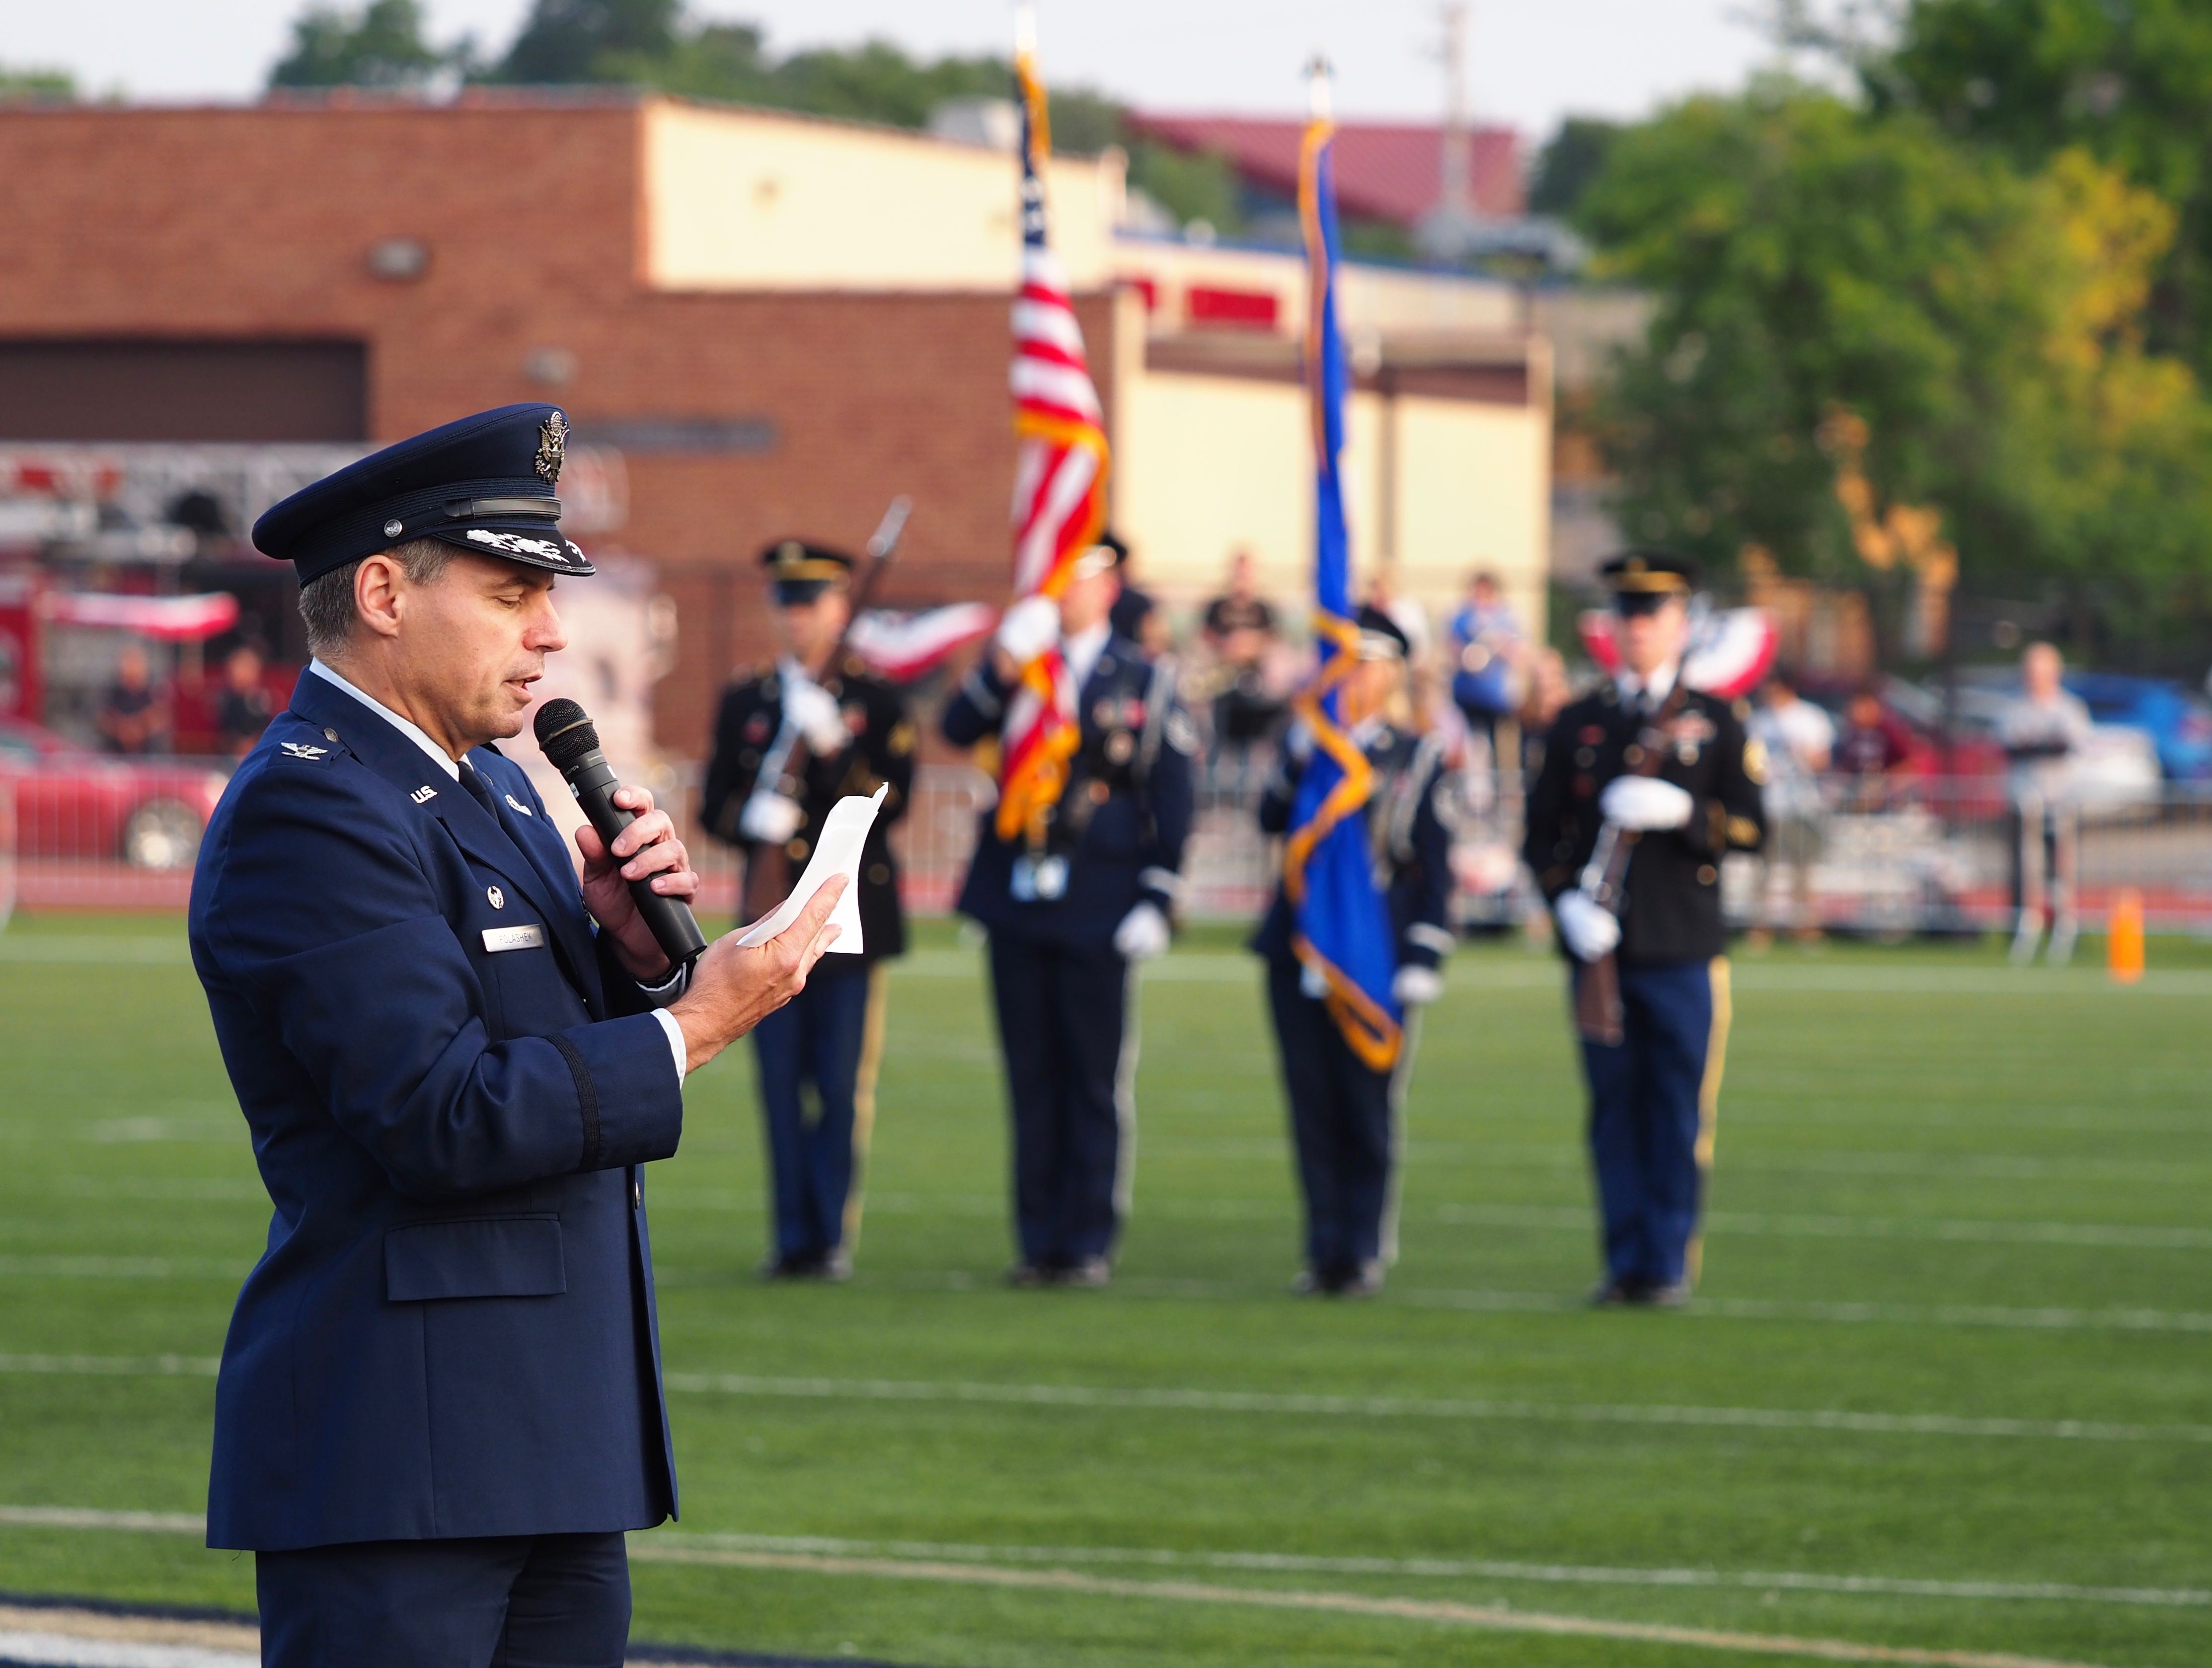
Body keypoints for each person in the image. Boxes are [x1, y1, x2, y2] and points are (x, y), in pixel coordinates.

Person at [189, 404, 846, 1668]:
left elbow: (521, 1033)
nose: (549, 630)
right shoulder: (315, 805)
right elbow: (443, 1113)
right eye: (508, 592)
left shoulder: (480, 777)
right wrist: (697, 1029)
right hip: (404, 1456)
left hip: (546, 1433)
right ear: (383, 591)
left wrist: (634, 956)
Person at [941, 535, 1196, 1288]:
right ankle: (1037, 1237)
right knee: (1030, 1075)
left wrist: (1158, 891)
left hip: (1099, 898)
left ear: (1108, 587)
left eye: (1076, 578)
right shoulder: (1024, 666)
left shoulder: (1143, 677)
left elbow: (1169, 791)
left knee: (1090, 1077)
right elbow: (957, 730)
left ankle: (1085, 1238)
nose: (1062, 592)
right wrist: (999, 665)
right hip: (1020, 896)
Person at [1522, 551, 1766, 1308]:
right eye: (1626, 613)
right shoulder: (1580, 721)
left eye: (1651, 614)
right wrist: (1563, 902)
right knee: (1613, 1110)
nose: (1637, 627)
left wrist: (1686, 814)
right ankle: (1623, 1259)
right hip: (1600, 951)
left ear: (1680, 624)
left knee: (1675, 1109)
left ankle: (1665, 1261)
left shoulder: (1718, 720)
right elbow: (1541, 835)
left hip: (1681, 948)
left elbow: (1756, 829)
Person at [699, 539, 915, 1281]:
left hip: (846, 925)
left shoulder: (875, 701)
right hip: (770, 922)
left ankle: (829, 1236)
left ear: (841, 607)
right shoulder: (748, 698)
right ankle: (792, 1235)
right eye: (787, 603)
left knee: (838, 1084)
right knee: (780, 1087)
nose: (800, 619)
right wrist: (748, 816)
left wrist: (834, 747)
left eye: (814, 603)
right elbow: (715, 805)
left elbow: (896, 802)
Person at [1253, 606, 1452, 1297]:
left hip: (1375, 953)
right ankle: (1323, 1248)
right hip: (1300, 945)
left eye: (1367, 662)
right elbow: (1270, 818)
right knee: (1311, 1105)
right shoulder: (1307, 744)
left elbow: (1434, 865)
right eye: (1343, 661)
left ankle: (1362, 1247)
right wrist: (1299, 760)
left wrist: (1425, 954)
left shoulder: (1415, 755)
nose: (1354, 676)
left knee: (1366, 1105)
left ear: (1395, 672)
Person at [1997, 641, 2093, 965]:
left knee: (2060, 869)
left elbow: (2070, 745)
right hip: (2024, 800)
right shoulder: (2014, 709)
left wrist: (2039, 746)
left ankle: (2063, 926)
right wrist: (2043, 745)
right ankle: (2024, 926)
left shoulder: (2068, 708)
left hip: (2060, 799)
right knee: (2026, 869)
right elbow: (2011, 746)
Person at [1747, 669, 1833, 941]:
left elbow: (1822, 762)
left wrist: (1802, 752)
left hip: (1801, 803)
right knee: (1764, 870)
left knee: (1802, 869)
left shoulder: (1810, 718)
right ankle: (1760, 928)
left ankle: (1806, 927)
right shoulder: (1757, 721)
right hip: (1769, 803)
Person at [1201, 549, 1282, 797]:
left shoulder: (1263, 608)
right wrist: (1229, 648)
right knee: (1218, 735)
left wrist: (1249, 645)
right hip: (1222, 680)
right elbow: (1206, 636)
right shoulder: (1218, 606)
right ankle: (1212, 792)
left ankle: (1243, 795)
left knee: (1248, 740)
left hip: (1251, 681)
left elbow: (1272, 639)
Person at [1446, 570, 1524, 750]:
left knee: (1497, 744)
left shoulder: (1506, 617)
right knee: (1468, 743)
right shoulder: (1462, 616)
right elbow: (1452, 646)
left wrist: (1496, 645)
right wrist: (1467, 657)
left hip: (1495, 695)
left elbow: (1516, 651)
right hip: (1466, 692)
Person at [1831, 683, 1912, 807]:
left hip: (1883, 791)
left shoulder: (1889, 730)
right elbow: (1842, 764)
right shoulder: (1850, 732)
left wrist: (1885, 781)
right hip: (1855, 789)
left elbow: (1909, 764)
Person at [97, 642, 168, 755]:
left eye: (136, 663)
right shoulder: (111, 692)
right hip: (115, 755)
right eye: (129, 663)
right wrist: (122, 730)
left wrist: (140, 729)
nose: (132, 668)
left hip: (149, 756)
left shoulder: (154, 691)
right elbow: (102, 719)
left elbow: (161, 718)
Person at [213, 643, 275, 758]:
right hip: (228, 759)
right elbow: (222, 734)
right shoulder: (225, 701)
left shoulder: (263, 701)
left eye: (249, 668)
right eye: (240, 667)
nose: (244, 674)